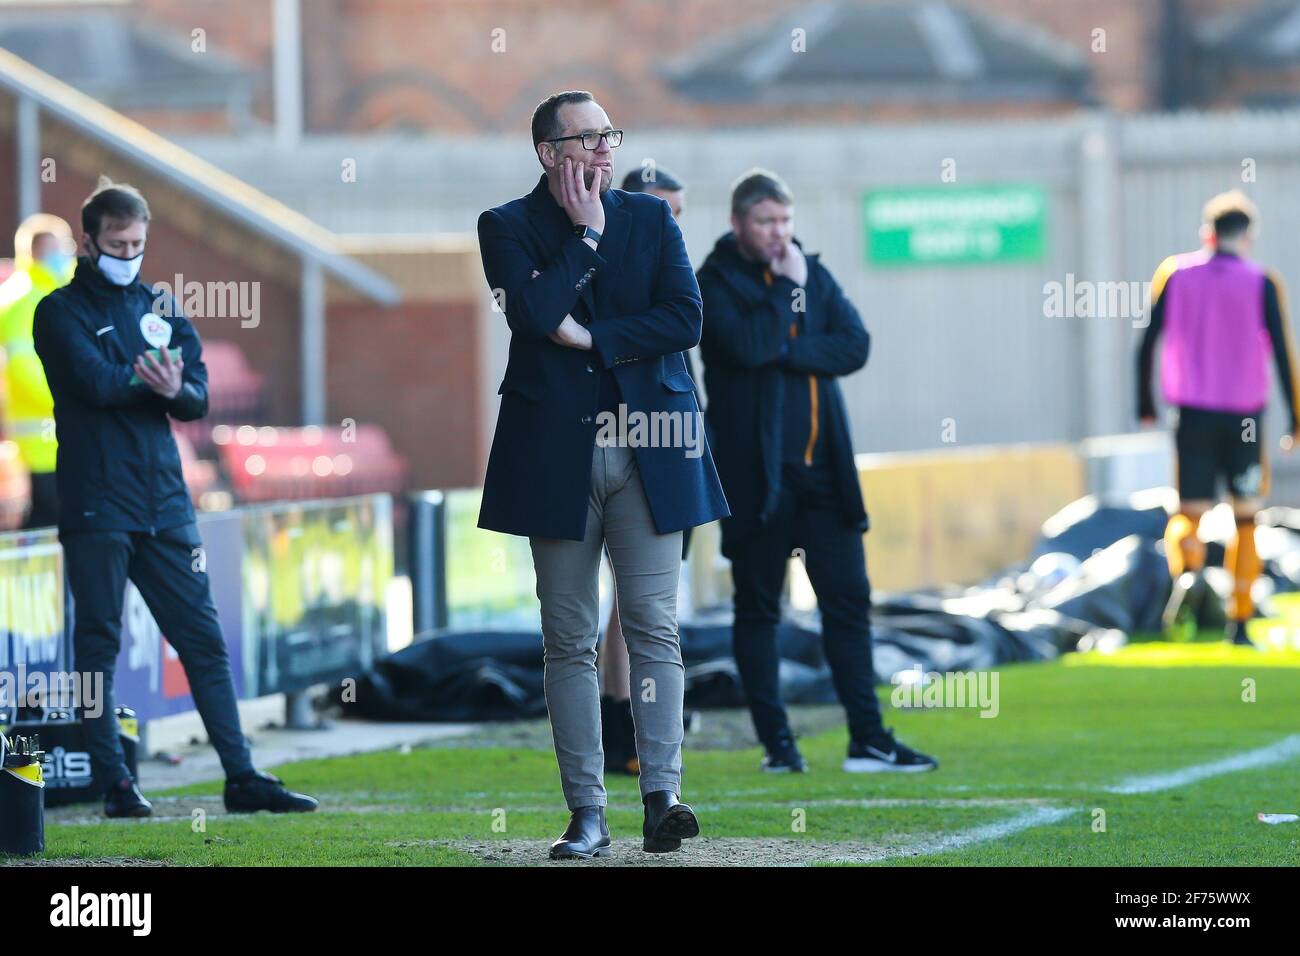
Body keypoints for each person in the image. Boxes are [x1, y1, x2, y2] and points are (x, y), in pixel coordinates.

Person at [476, 91, 729, 859]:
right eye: (587, 137)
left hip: (654, 448)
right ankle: (587, 813)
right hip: (553, 454)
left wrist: (590, 337)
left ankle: (663, 798)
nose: (605, 149)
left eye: (609, 134)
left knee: (655, 625)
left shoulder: (651, 220)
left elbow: (685, 318)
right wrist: (586, 241)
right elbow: (531, 313)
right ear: (550, 153)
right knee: (569, 637)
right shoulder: (506, 226)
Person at [32, 176, 318, 818]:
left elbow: (195, 396)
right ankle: (115, 783)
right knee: (97, 643)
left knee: (204, 641)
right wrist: (150, 379)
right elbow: (97, 383)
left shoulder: (160, 305)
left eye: (137, 242)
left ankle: (241, 775)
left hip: (165, 502)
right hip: (96, 504)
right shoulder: (59, 312)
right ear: (89, 241)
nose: (128, 253)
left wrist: (163, 386)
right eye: (116, 242)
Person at [697, 168, 937, 774]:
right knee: (759, 609)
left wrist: (786, 348)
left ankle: (869, 740)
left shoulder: (812, 273)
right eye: (765, 223)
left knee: (849, 602)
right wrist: (783, 297)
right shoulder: (713, 282)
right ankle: (779, 747)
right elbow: (743, 347)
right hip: (757, 481)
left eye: (785, 222)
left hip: (825, 477)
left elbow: (854, 345)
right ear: (738, 224)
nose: (779, 235)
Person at [1138, 189, 1300, 645]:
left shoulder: (1175, 274)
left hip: (1192, 415)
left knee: (1189, 512)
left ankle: (1188, 573)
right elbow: (1285, 354)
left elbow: (1148, 342)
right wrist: (1295, 416)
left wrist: (1145, 403)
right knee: (1246, 517)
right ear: (1247, 237)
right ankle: (1240, 621)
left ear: (1208, 234)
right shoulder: (1261, 281)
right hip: (1244, 419)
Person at [599, 165, 693, 777]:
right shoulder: (613, 266)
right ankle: (620, 722)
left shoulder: (672, 275)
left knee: (651, 603)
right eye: (663, 212)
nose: (670, 226)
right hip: (622, 445)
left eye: (678, 215)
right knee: (627, 605)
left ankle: (641, 730)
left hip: (673, 446)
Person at [0, 214, 75, 529]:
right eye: (61, 249)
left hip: (60, 433)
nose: (68, 256)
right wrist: (69, 396)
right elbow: (23, 368)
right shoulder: (22, 300)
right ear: (40, 251)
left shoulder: (56, 295)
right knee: (45, 518)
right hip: (40, 438)